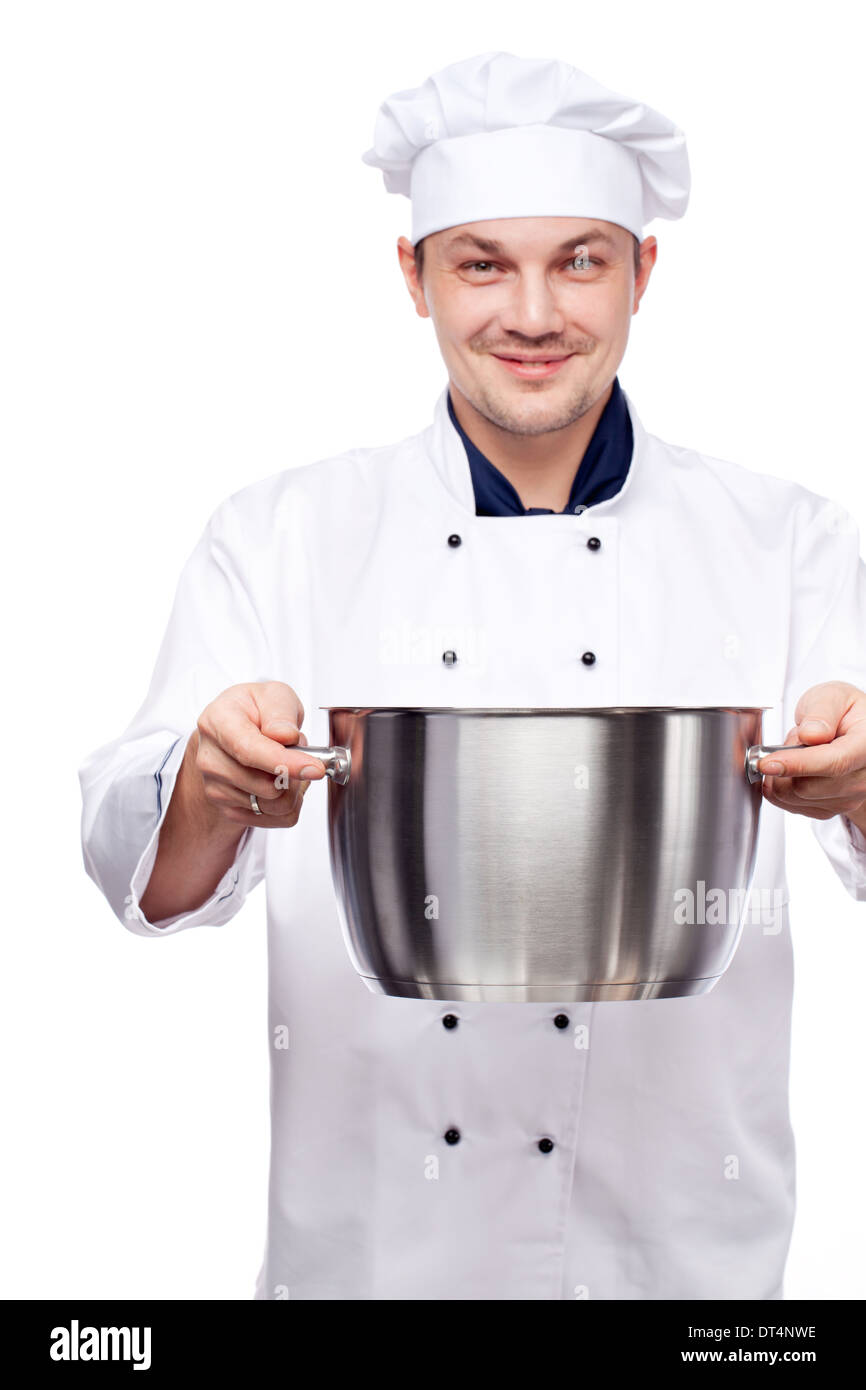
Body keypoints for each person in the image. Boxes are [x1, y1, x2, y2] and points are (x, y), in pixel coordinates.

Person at [79, 51, 866, 1300]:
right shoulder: (282, 533)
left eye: (580, 260)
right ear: (414, 277)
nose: (534, 314)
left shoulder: (789, 540)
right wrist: (211, 782)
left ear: (641, 274)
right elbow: (149, 884)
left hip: (682, 1275)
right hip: (378, 1261)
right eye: (482, 262)